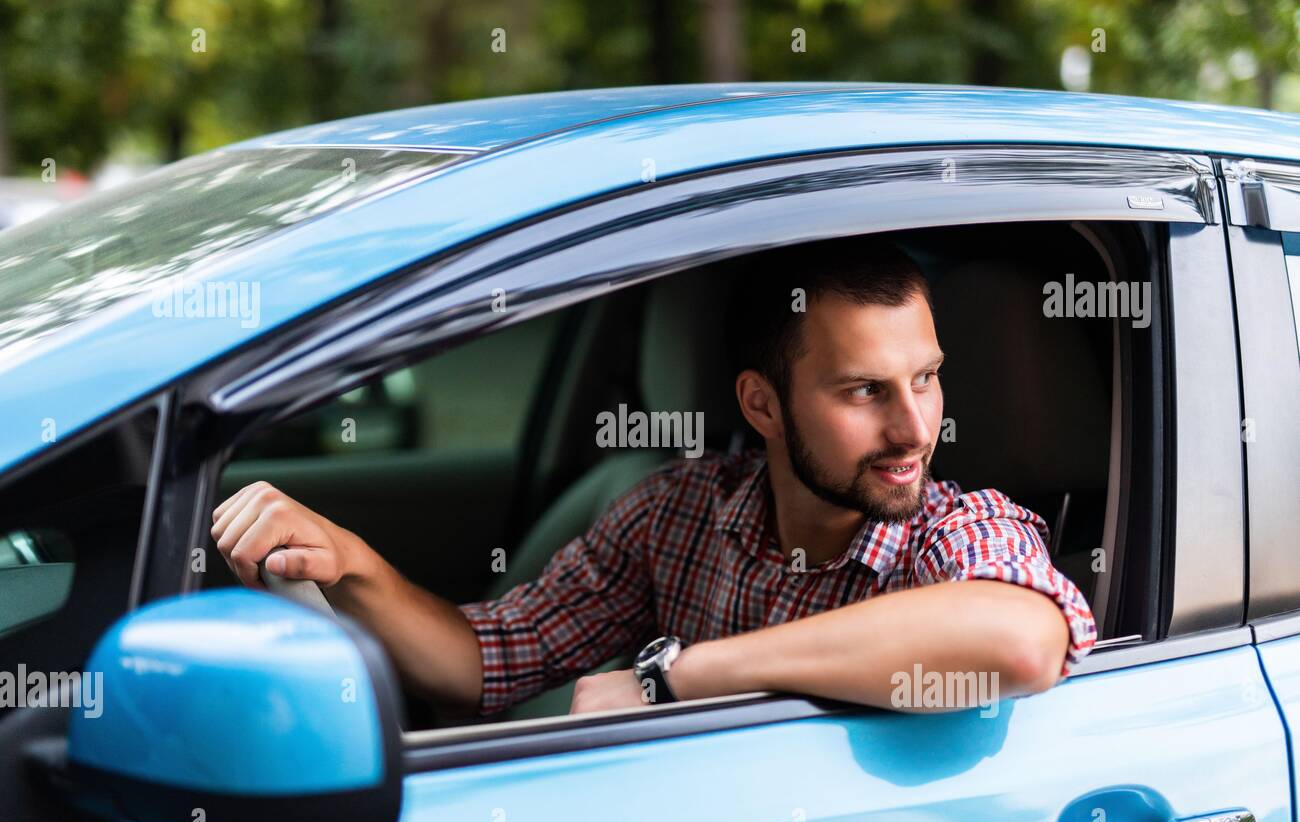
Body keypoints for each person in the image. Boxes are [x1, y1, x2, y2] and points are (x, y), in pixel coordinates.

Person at [211, 237, 1096, 719]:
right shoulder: (677, 513)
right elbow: (488, 661)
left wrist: (675, 677)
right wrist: (351, 562)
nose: (913, 427)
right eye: (865, 391)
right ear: (762, 405)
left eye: (926, 378)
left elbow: (1020, 640)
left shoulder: (959, 526)